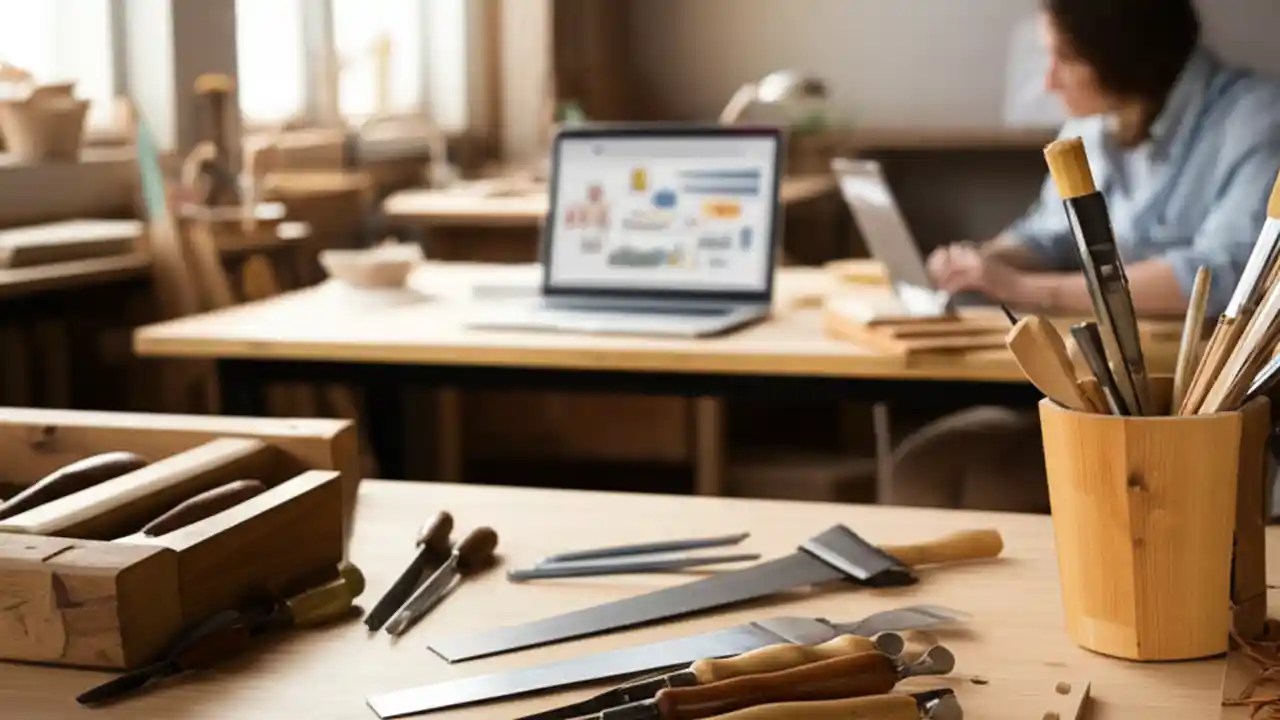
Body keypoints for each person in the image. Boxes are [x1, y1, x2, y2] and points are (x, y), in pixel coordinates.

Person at [891, 0, 1280, 511]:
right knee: (921, 468)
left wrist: (1024, 289)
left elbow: (1226, 276)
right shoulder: (1095, 124)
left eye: (1066, 59)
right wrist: (983, 262)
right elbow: (1049, 232)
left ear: (1120, 55)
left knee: (976, 480)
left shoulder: (1257, 118)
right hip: (1102, 389)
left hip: (1198, 409)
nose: (1048, 80)